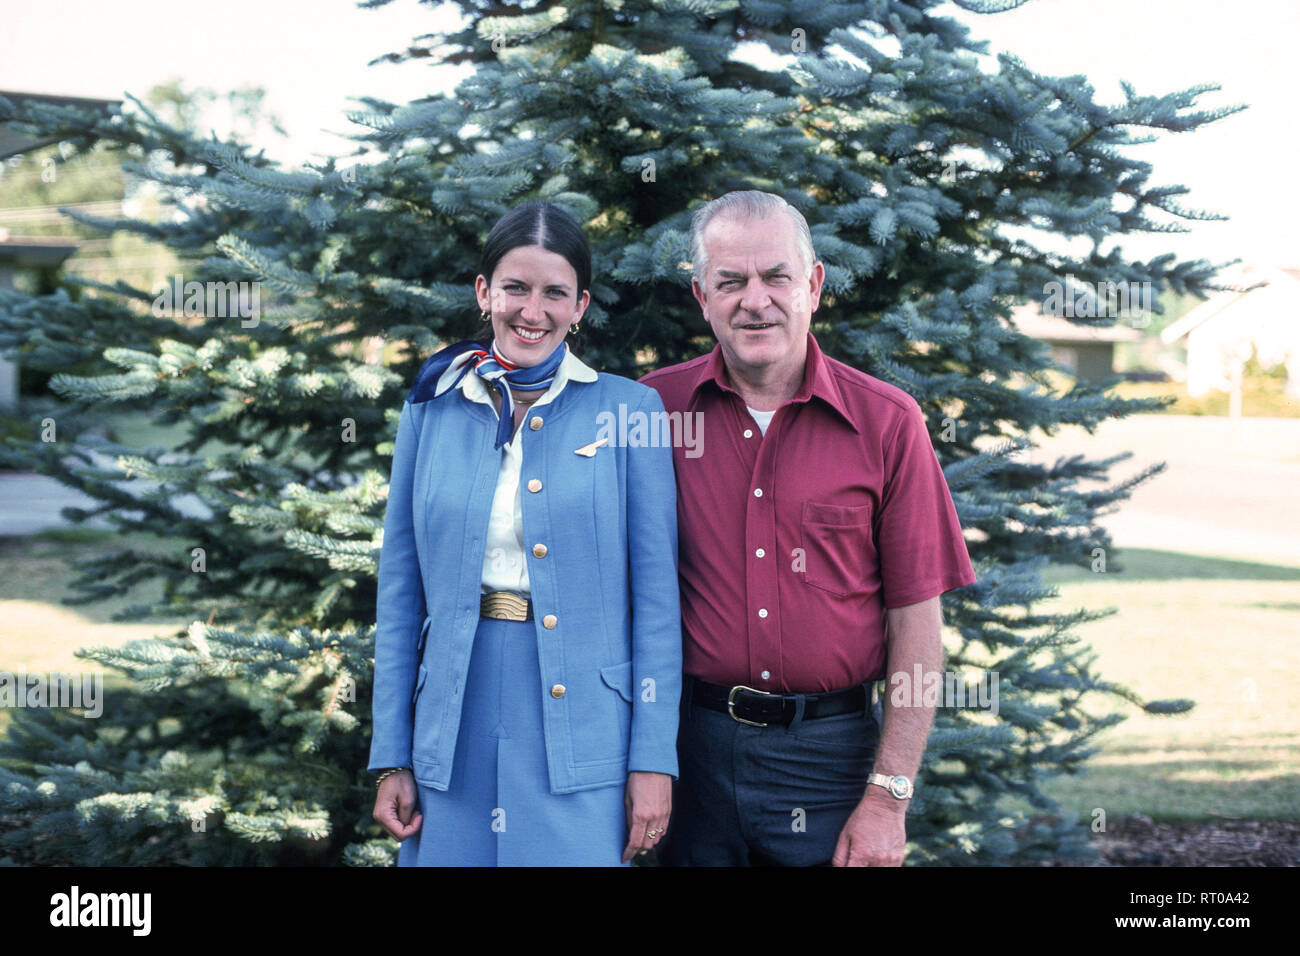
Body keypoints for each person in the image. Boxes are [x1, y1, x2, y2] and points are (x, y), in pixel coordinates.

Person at [641, 190, 977, 867]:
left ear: (814, 285)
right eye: (730, 281)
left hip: (828, 764)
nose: (754, 299)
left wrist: (888, 798)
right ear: (701, 296)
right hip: (688, 756)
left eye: (776, 277)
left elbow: (916, 622)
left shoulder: (888, 422)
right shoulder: (651, 412)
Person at [369, 200, 681, 866]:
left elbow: (657, 606)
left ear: (581, 306)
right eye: (515, 287)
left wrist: (654, 759)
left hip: (584, 733)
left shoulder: (632, 411)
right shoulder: (431, 406)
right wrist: (392, 754)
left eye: (554, 293)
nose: (531, 311)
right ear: (485, 292)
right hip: (450, 727)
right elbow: (400, 591)